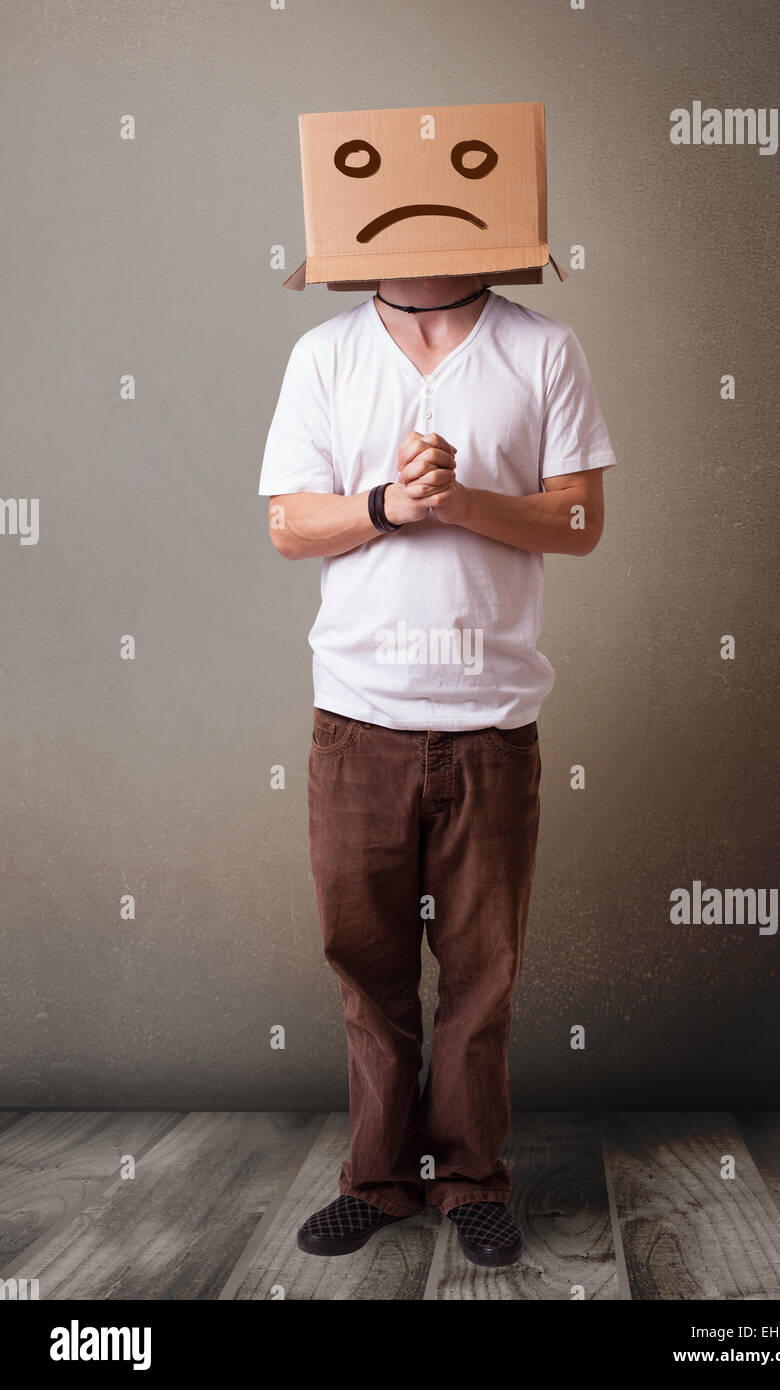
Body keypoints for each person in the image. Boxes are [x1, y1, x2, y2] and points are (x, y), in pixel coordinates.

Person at [258, 272, 617, 1267]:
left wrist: (462, 500)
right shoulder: (324, 354)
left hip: (494, 722)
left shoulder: (544, 348)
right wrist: (388, 503)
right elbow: (289, 524)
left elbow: (583, 522)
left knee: (481, 974)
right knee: (367, 971)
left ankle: (466, 1179)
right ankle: (377, 1181)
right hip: (358, 721)